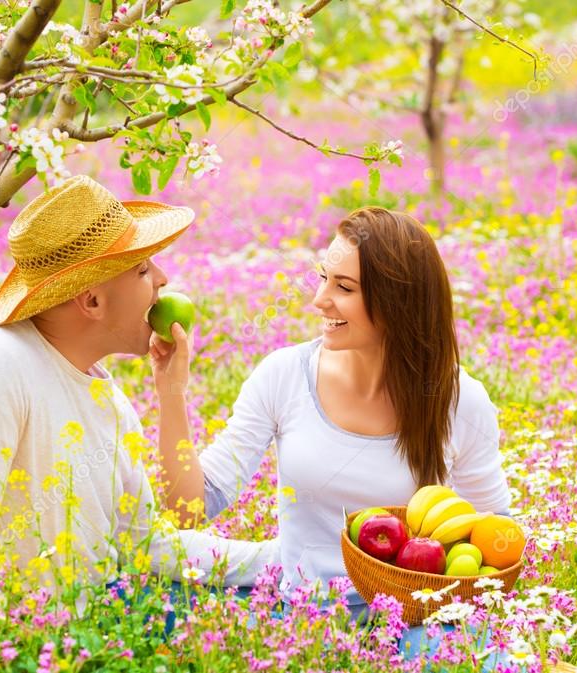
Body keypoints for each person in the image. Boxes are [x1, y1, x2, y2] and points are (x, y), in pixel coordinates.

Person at [154, 206, 512, 659]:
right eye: (324, 278)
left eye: (343, 287)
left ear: (397, 302)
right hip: (304, 612)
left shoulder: (460, 401)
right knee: (147, 583)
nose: (320, 299)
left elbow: (496, 545)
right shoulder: (284, 375)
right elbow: (190, 509)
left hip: (414, 618)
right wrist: (171, 392)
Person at [0, 175, 276, 606]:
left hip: (98, 626)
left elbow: (148, 542)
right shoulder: (0, 364)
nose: (164, 280)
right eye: (144, 269)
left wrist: (282, 559)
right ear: (92, 302)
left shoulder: (105, 397)